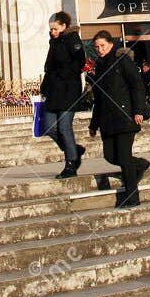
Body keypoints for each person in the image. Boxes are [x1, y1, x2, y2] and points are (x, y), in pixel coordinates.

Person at [87, 31, 150, 208]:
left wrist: (138, 110)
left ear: (111, 44)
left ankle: (132, 197)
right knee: (110, 155)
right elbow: (98, 99)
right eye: (97, 47)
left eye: (102, 46)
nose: (99, 49)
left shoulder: (122, 61)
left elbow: (136, 85)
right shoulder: (99, 67)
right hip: (107, 121)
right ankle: (140, 164)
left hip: (125, 117)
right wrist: (94, 124)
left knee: (123, 157)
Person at [40, 12, 87, 178]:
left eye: (55, 28)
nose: (52, 31)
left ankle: (71, 164)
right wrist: (44, 88)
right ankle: (74, 149)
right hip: (53, 91)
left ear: (63, 26)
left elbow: (80, 62)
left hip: (68, 91)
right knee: (49, 127)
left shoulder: (72, 39)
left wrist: (64, 75)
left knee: (64, 127)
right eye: (51, 29)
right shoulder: (53, 42)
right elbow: (49, 68)